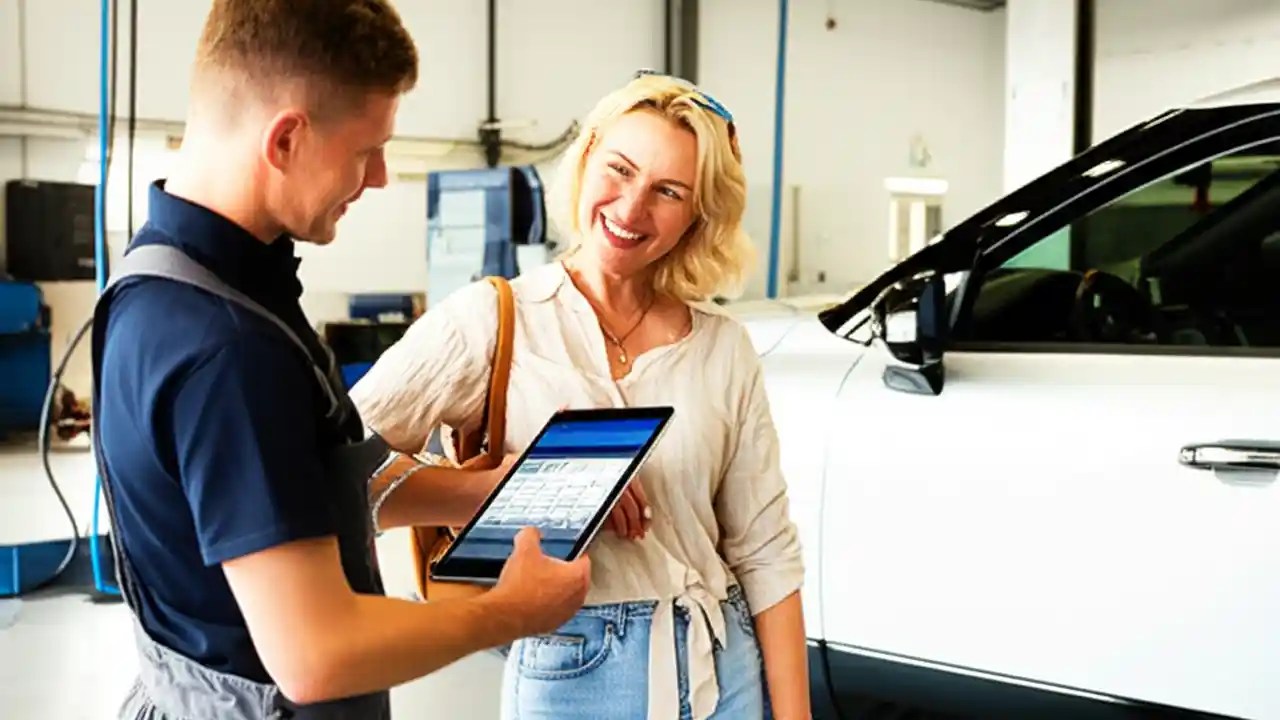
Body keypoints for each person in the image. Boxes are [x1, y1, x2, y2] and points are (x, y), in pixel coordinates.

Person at [91, 2, 590, 718]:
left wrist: (486, 491)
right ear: (286, 138)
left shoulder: (170, 277)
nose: (380, 177)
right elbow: (316, 653)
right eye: (367, 150)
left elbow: (303, 478)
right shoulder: (229, 348)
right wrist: (510, 610)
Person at [350, 72, 811, 720]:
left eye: (668, 191)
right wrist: (508, 489)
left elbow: (766, 553)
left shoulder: (723, 347)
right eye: (619, 169)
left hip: (722, 661)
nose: (631, 208)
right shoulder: (491, 322)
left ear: (698, 215)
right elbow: (333, 476)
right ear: (587, 156)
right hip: (573, 664)